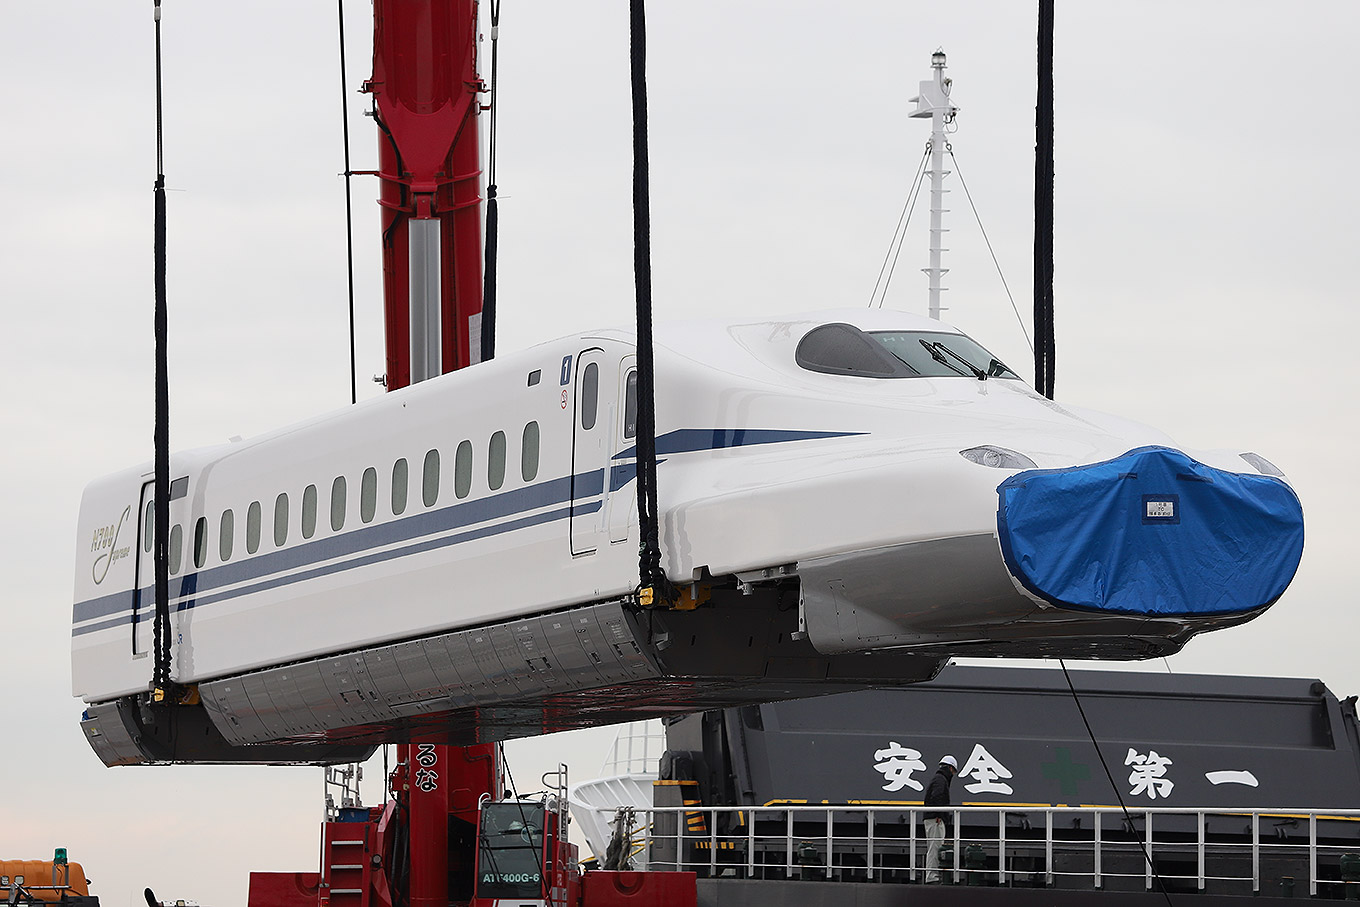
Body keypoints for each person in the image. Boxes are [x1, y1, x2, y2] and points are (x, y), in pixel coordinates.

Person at [924, 755, 958, 884]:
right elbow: (937, 796)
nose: (953, 774)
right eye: (954, 771)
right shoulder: (941, 780)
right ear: (950, 768)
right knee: (935, 847)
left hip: (932, 817)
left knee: (933, 847)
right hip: (935, 818)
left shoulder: (938, 778)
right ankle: (932, 877)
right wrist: (939, 814)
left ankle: (932, 875)